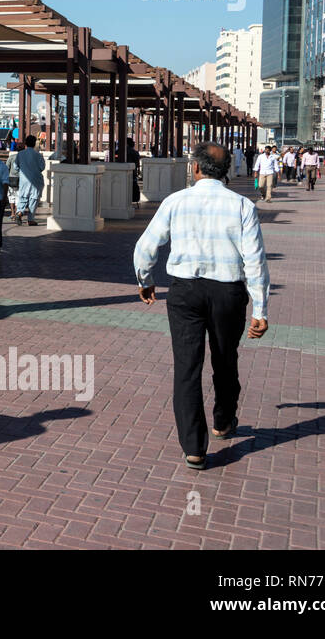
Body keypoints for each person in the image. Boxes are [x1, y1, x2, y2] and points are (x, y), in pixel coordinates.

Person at [133, 142, 269, 470]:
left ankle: (194, 448)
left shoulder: (175, 202)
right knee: (225, 359)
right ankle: (223, 421)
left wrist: (145, 279)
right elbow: (255, 260)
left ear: (195, 168)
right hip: (228, 293)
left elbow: (146, 246)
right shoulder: (242, 206)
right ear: (225, 172)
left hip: (184, 293)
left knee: (187, 366)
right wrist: (260, 310)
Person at [11, 135, 46, 227]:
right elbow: (42, 167)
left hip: (24, 179)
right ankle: (30, 219)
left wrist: (23, 171)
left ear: (26, 143)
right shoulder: (38, 155)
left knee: (23, 197)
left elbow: (15, 167)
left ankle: (19, 212)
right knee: (33, 199)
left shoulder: (20, 154)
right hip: (36, 179)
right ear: (34, 144)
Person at [126, 137, 142, 204]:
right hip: (133, 173)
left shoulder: (123, 151)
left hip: (125, 173)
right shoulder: (135, 152)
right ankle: (132, 199)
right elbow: (138, 165)